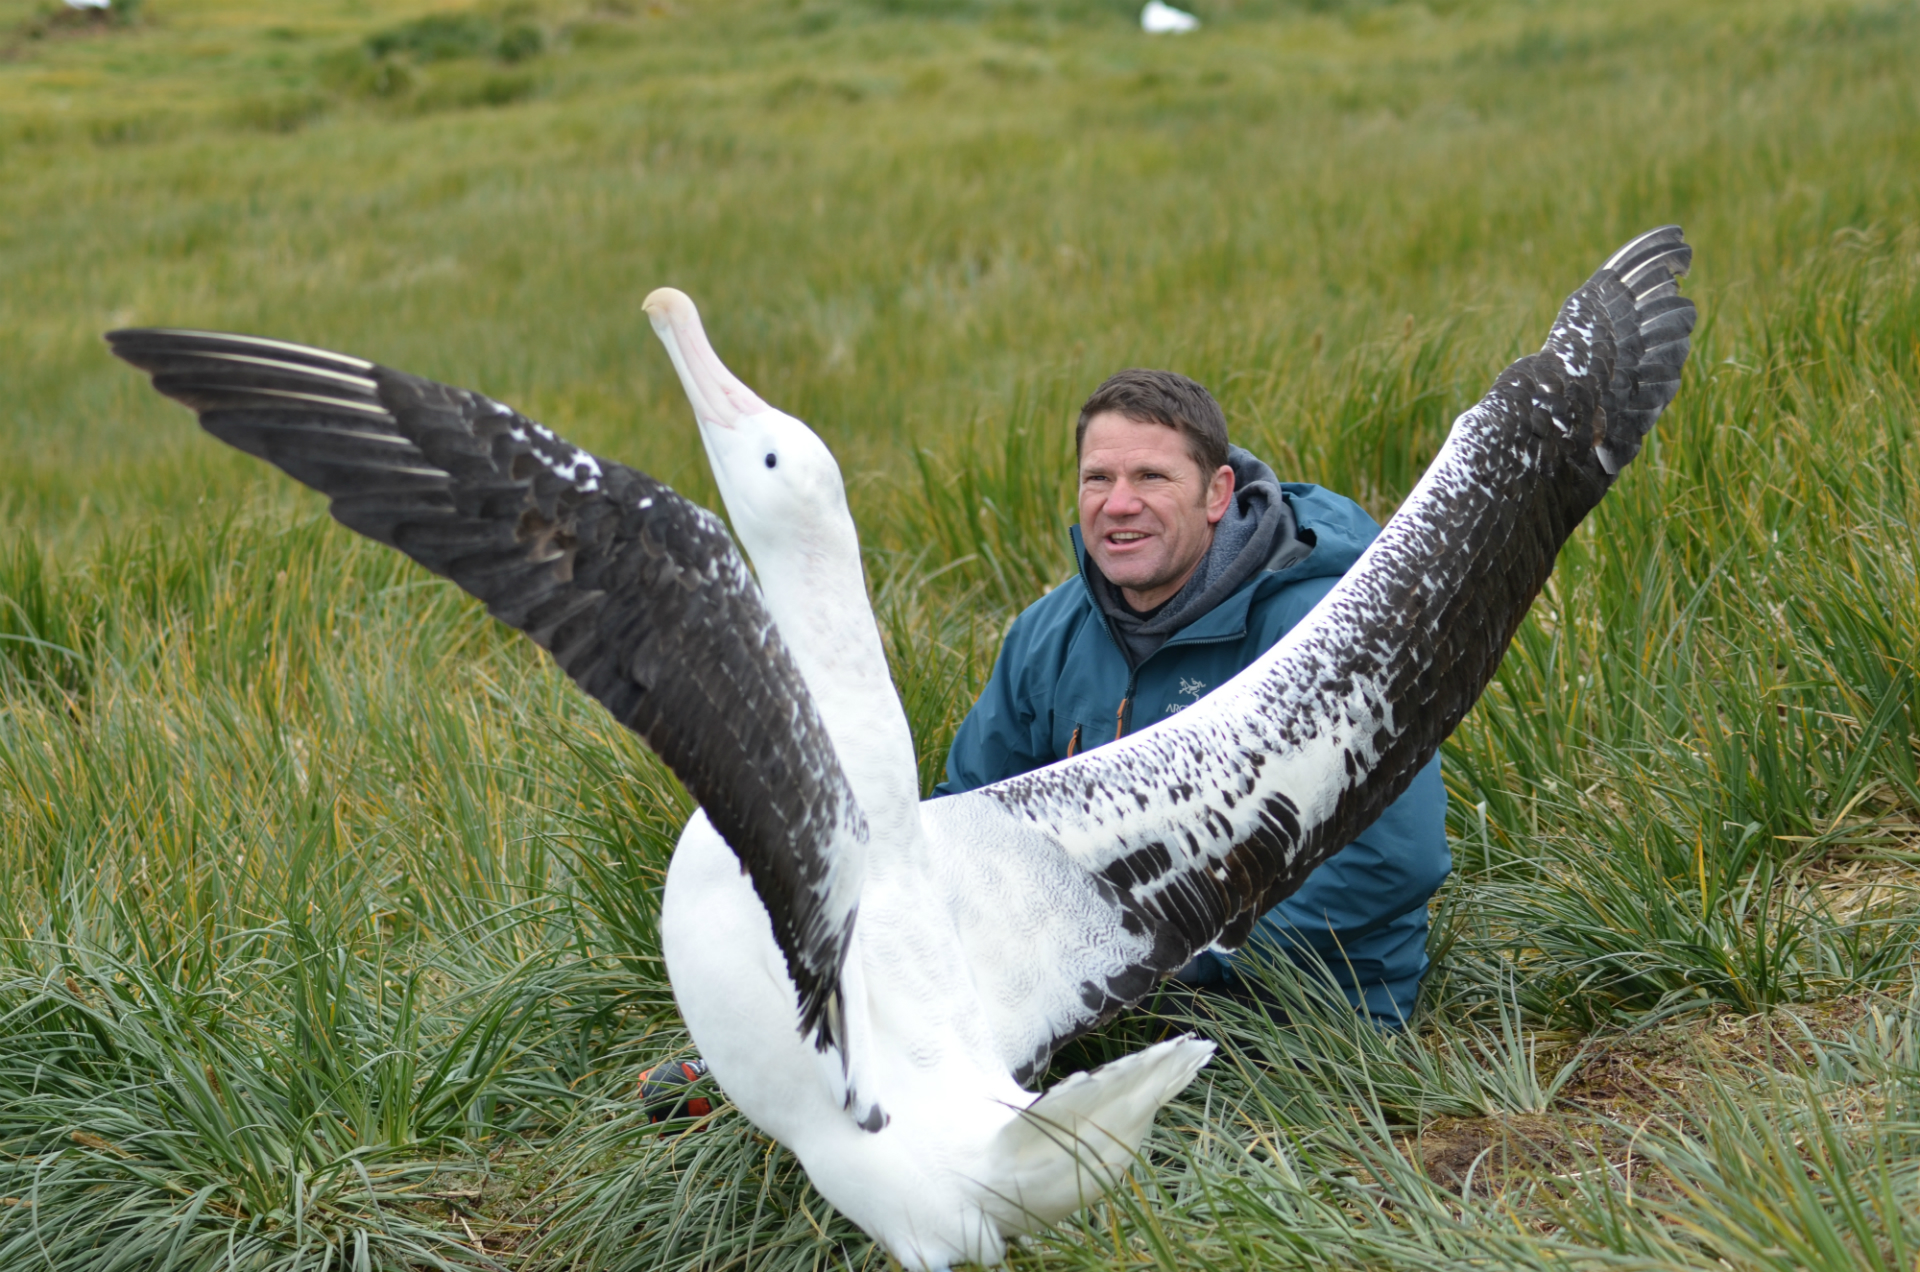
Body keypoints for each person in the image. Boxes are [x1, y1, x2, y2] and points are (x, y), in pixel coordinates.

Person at [934, 369, 1450, 1025]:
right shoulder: (1047, 635)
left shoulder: (1329, 629)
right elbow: (967, 828)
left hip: (1310, 1021)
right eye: (1098, 479)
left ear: (1217, 493)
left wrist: (1184, 956)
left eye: (1151, 477)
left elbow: (1396, 859)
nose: (1119, 504)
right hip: (1107, 1004)